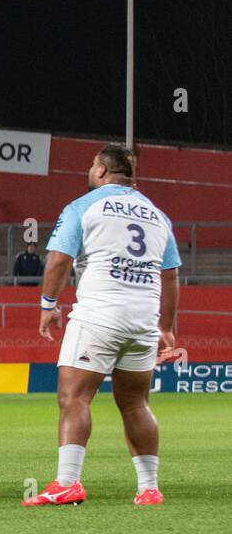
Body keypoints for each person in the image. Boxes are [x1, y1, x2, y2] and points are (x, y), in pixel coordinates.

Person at [24, 144, 180, 508]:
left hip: (99, 316)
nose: (90, 169)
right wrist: (167, 327)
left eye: (92, 164)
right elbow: (170, 276)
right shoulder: (157, 215)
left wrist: (48, 305)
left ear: (101, 172)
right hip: (142, 321)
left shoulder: (84, 206)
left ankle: (68, 483)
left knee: (74, 396)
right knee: (135, 402)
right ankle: (149, 488)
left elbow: (59, 260)